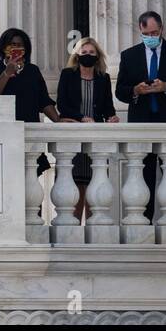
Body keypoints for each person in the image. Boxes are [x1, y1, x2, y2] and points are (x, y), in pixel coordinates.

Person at [115, 11, 166, 222]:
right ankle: (143, 222)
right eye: (146, 32)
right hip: (142, 122)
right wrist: (136, 90)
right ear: (140, 31)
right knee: (143, 175)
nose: (151, 35)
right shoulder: (129, 56)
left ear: (162, 29)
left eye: (154, 32)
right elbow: (120, 91)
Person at [0, 28, 58, 182]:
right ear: (4, 48)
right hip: (3, 132)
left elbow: (43, 101)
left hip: (28, 132)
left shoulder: (32, 71)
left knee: (30, 185)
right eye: (11, 44)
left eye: (19, 45)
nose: (15, 48)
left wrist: (58, 121)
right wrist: (7, 73)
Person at [56, 37, 118, 219]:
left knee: (96, 184)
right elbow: (62, 105)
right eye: (84, 53)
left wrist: (111, 117)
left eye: (91, 52)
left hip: (96, 138)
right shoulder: (68, 74)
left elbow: (107, 106)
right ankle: (74, 231)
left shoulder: (103, 78)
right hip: (73, 137)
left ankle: (94, 230)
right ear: (77, 55)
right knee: (75, 186)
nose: (88, 56)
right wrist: (81, 118)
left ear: (97, 56)